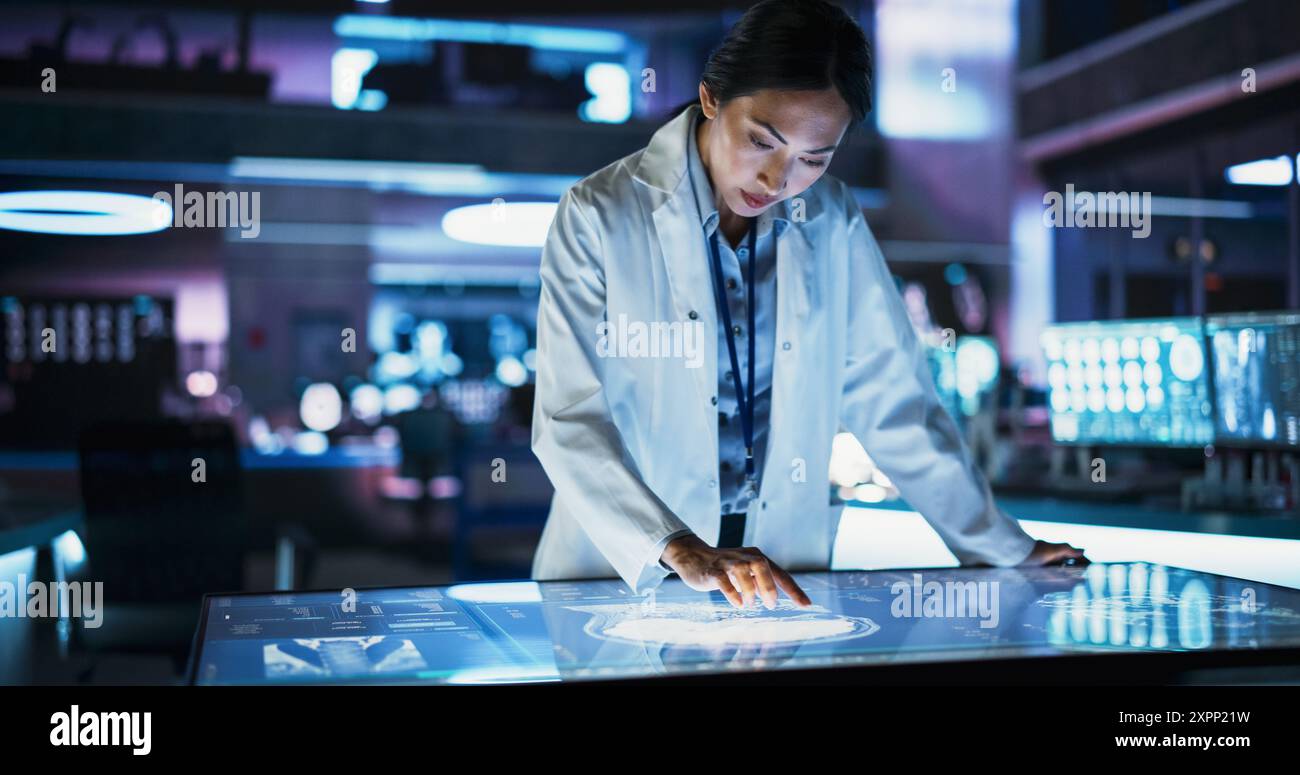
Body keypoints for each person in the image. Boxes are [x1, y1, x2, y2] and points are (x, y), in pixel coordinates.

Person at [530, 0, 1084, 610]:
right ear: (711, 97)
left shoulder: (831, 218)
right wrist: (675, 544)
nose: (775, 180)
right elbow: (567, 417)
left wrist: (1000, 546)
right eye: (761, 140)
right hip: (620, 569)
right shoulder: (599, 214)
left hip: (778, 569)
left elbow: (892, 402)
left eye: (812, 159)